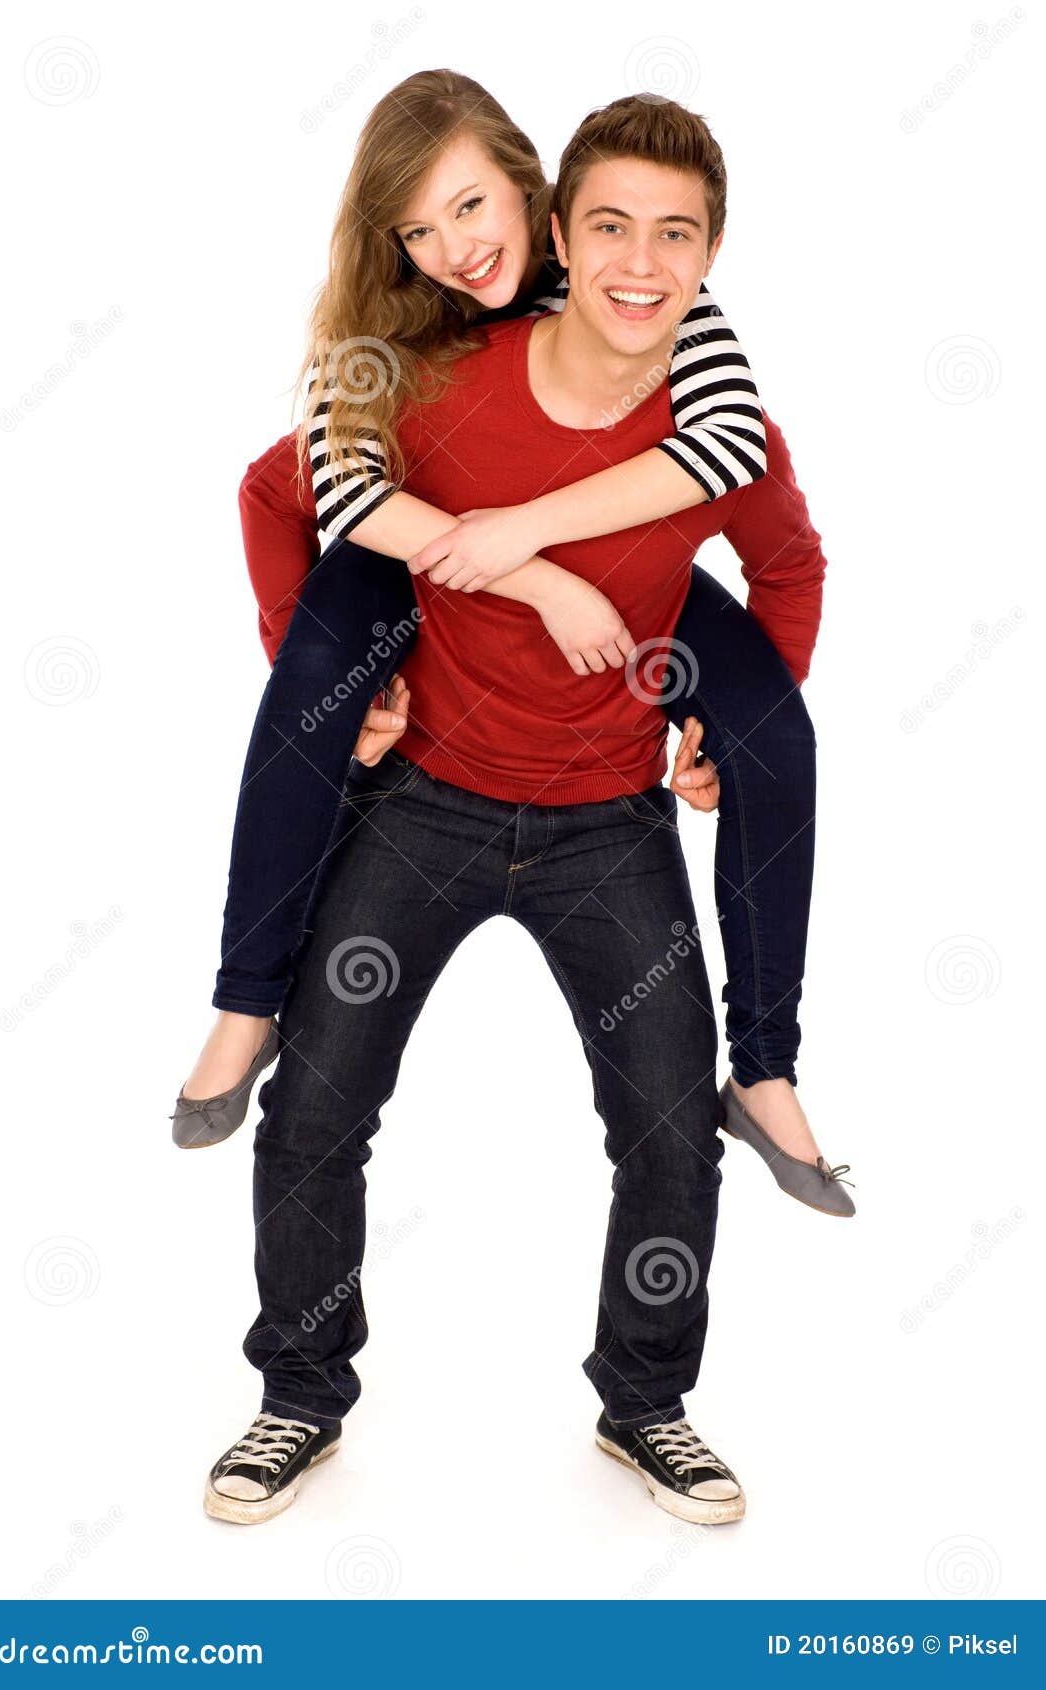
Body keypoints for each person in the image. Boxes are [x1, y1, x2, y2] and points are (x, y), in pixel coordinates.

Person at [202, 94, 841, 1530]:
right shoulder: (442, 374)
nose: (636, 260)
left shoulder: (719, 420)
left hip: (610, 823)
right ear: (562, 231)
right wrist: (314, 663)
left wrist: (728, 727)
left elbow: (790, 566)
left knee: (675, 1131)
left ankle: (646, 1402)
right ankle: (298, 1394)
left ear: (710, 255)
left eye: (673, 236)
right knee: (313, 1106)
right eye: (606, 225)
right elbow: (275, 488)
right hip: (421, 800)